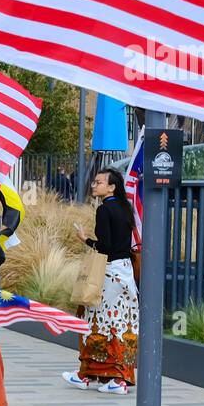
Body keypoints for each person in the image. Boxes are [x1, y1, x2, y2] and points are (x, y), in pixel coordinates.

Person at [63, 168, 138, 394]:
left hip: (108, 274)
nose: (94, 185)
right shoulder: (126, 208)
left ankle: (88, 374)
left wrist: (85, 238)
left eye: (99, 182)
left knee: (97, 322)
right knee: (123, 324)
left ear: (112, 186)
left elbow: (104, 247)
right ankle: (117, 378)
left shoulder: (104, 210)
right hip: (125, 273)